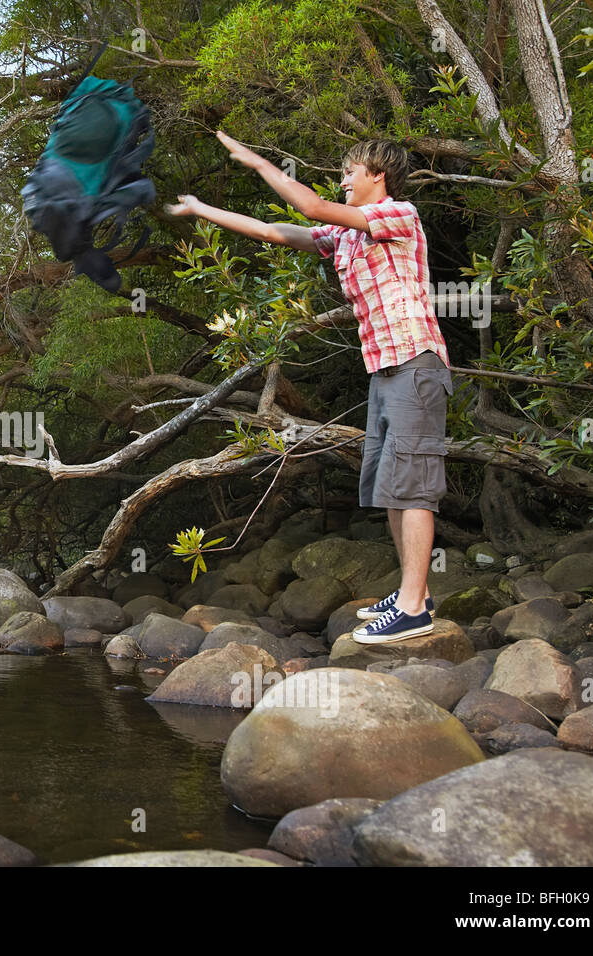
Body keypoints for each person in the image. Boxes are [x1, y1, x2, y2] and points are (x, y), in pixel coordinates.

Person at [167, 133, 452, 644]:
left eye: (351, 172)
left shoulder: (400, 214)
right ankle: (417, 591)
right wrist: (202, 209)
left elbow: (312, 204)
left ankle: (413, 610)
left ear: (378, 176)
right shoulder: (343, 237)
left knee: (414, 486)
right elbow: (274, 231)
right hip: (384, 369)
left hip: (416, 362)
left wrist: (255, 159)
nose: (343, 181)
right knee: (393, 485)